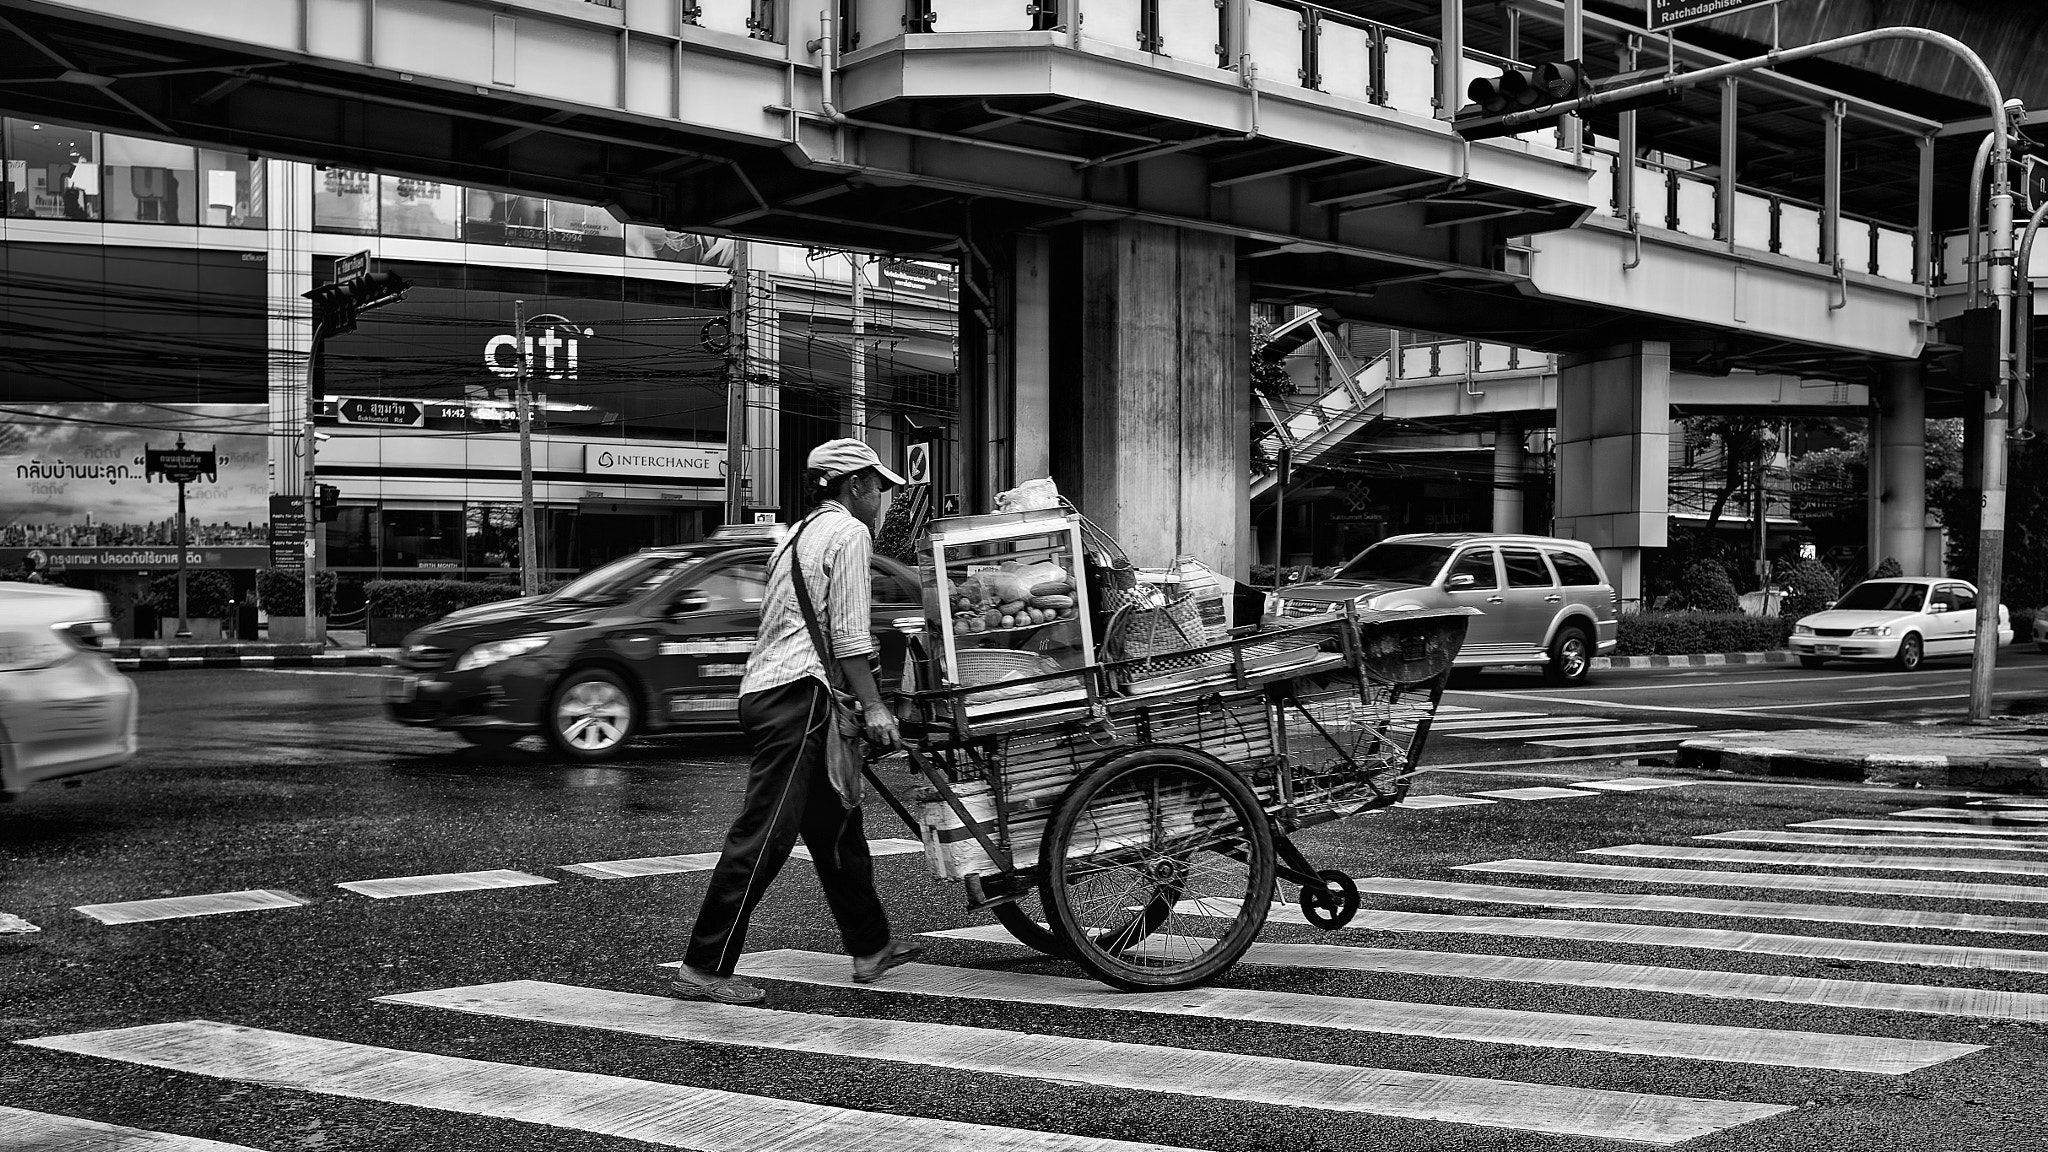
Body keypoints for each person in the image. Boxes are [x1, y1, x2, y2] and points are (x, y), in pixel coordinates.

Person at [663, 438, 920, 1005]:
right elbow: (850, 636)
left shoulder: (796, 534)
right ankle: (705, 965)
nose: (882, 498)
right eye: (878, 486)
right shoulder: (849, 534)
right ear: (855, 486)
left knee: (836, 827)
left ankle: (870, 945)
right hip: (796, 698)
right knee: (766, 834)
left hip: (777, 689)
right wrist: (874, 705)